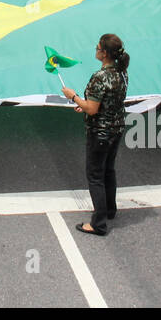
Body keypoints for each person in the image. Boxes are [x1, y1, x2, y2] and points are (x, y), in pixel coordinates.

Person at [60, 33, 129, 236]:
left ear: (104, 52)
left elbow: (92, 109)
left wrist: (73, 97)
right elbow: (106, 103)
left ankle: (98, 223)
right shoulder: (122, 73)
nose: (95, 49)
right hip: (116, 129)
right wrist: (87, 105)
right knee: (109, 170)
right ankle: (109, 209)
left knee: (95, 175)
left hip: (100, 133)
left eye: (98, 47)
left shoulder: (100, 77)